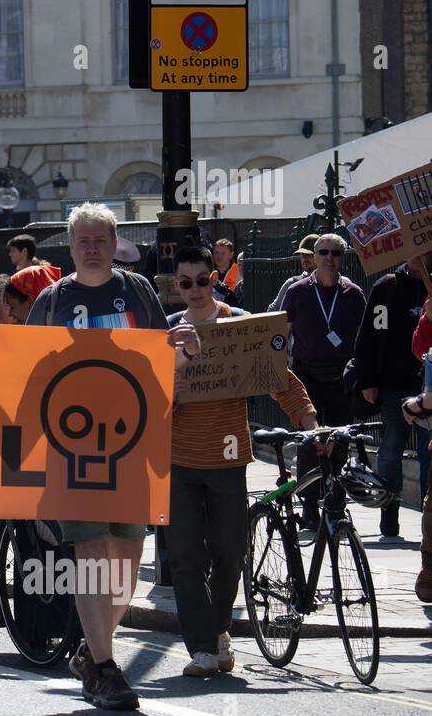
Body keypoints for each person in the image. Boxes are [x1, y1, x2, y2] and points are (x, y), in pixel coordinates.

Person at [26, 203, 200, 710]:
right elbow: (18, 361)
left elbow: (160, 352)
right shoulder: (53, 301)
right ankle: (104, 668)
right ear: (71, 245)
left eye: (101, 238)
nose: (92, 247)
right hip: (72, 446)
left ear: (114, 241)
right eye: (83, 240)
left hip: (131, 442)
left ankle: (90, 649)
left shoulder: (137, 290)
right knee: (92, 555)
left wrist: (181, 347)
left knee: (126, 562)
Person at [166, 246, 318, 677]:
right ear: (176, 287)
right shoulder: (170, 334)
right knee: (184, 557)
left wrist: (308, 419)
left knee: (231, 551)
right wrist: (179, 366)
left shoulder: (238, 325)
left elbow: (280, 379)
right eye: (185, 283)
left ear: (214, 279)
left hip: (228, 455)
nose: (194, 290)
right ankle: (200, 647)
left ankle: (218, 631)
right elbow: (154, 398)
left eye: (202, 280)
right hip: (179, 458)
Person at [281, 233, 366, 534]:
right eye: (324, 252)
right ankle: (309, 505)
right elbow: (284, 332)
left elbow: (364, 340)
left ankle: (336, 501)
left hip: (341, 376)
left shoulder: (353, 294)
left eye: (336, 253)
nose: (330, 258)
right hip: (307, 375)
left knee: (340, 441)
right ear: (314, 257)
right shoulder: (298, 291)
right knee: (309, 442)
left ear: (343, 258)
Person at [352, 254, 431, 538]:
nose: (419, 256)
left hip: (428, 387)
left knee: (428, 453)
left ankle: (427, 519)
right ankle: (390, 512)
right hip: (394, 385)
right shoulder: (387, 287)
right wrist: (368, 379)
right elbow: (369, 337)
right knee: (390, 451)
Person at [266, 235, 319, 313]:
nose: (304, 258)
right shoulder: (292, 282)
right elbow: (273, 310)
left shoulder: (333, 282)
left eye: (309, 254)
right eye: (302, 255)